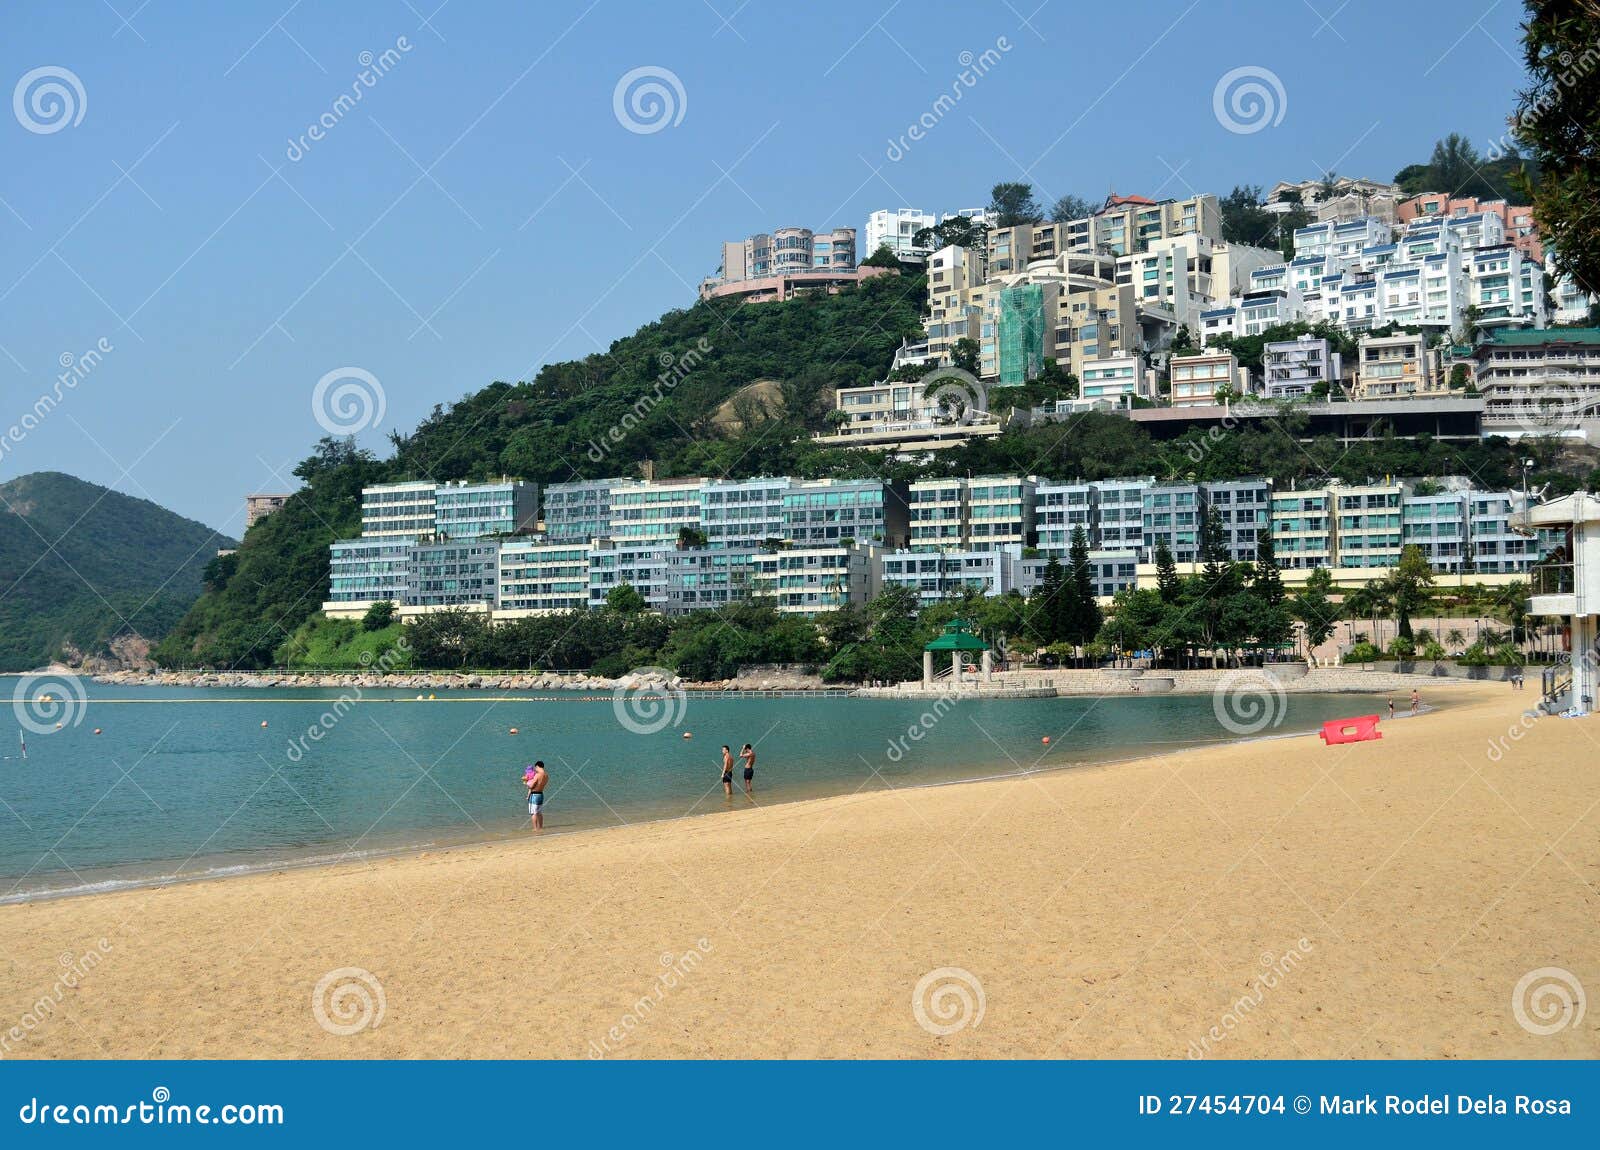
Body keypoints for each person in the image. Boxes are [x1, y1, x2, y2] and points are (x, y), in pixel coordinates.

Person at [523, 761, 548, 831]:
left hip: (534, 795)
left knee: (533, 813)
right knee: (539, 812)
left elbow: (531, 785)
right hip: (541, 794)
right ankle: (540, 827)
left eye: (535, 767)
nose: (535, 769)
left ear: (537, 766)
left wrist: (526, 783)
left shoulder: (537, 775)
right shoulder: (546, 775)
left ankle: (535, 828)